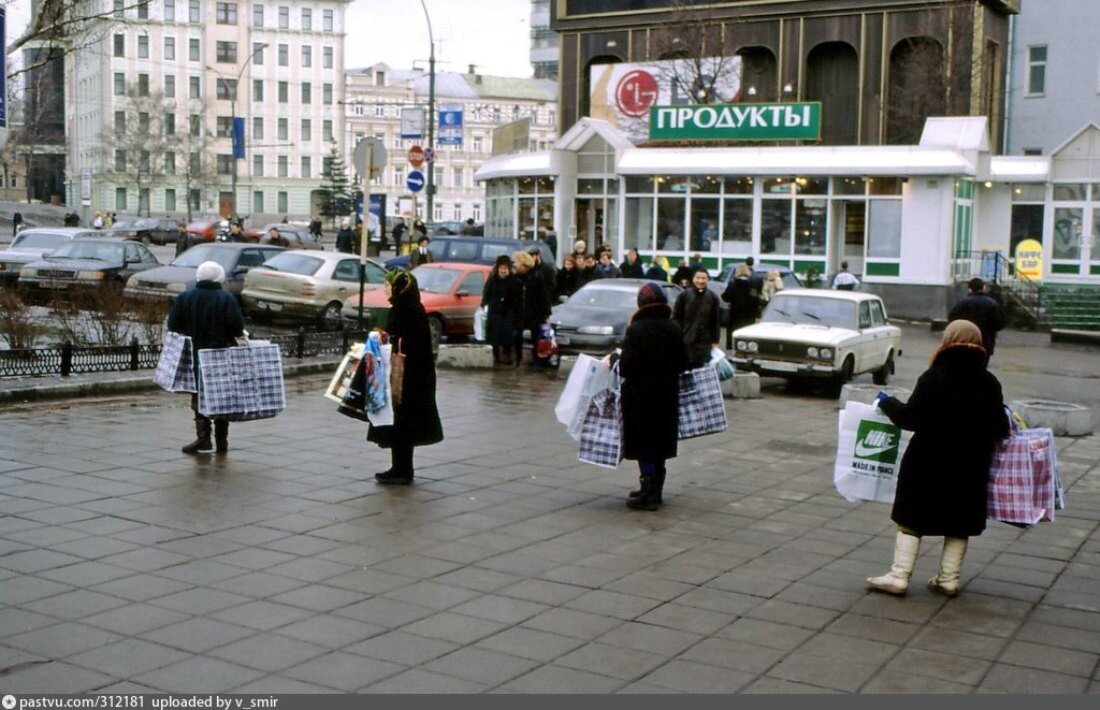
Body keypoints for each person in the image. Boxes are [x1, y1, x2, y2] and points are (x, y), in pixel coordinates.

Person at [867, 319, 1009, 598]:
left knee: (911, 517)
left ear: (947, 340)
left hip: (927, 462)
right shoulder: (989, 382)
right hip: (971, 464)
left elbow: (910, 418)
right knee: (960, 520)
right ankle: (949, 579)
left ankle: (899, 576)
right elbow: (1000, 428)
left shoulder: (933, 377)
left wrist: (887, 402)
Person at [614, 283, 689, 511]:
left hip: (639, 398)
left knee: (643, 445)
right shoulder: (674, 327)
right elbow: (684, 363)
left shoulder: (635, 330)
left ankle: (648, 492)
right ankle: (656, 491)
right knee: (659, 444)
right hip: (666, 396)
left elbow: (626, 367)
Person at [369, 271, 444, 484]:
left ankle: (402, 471)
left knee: (403, 424)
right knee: (400, 424)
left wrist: (386, 338)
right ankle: (400, 468)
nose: (385, 289)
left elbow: (408, 342)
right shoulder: (407, 307)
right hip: (407, 378)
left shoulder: (408, 309)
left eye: (388, 285)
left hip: (408, 379)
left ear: (399, 287)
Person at [167, 261, 245, 455]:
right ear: (219, 276)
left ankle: (203, 439)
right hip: (221, 354)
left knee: (198, 394)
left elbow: (173, 325)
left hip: (195, 354)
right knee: (221, 396)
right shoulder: (226, 298)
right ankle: (222, 442)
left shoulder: (186, 297)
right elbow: (237, 327)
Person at [673, 267, 721, 368]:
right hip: (686, 341)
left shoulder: (713, 297)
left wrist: (715, 341)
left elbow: (715, 321)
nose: (700, 281)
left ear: (707, 280)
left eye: (703, 278)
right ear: (693, 279)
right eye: (698, 278)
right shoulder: (684, 296)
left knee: (702, 372)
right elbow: (677, 318)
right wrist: (678, 336)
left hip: (704, 343)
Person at [511, 250, 552, 369]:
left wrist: (546, 313)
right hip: (519, 313)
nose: (514, 264)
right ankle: (518, 359)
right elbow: (510, 295)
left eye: (516, 262)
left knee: (536, 338)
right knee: (516, 335)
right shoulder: (515, 278)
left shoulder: (537, 277)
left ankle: (537, 361)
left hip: (534, 313)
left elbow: (544, 297)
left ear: (523, 264)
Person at [948, 277, 1007, 357]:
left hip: (965, 342)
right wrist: (990, 330)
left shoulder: (963, 303)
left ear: (969, 289)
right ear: (983, 288)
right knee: (982, 367)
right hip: (986, 342)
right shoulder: (992, 304)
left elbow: (952, 319)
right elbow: (1001, 323)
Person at [481, 255, 518, 364]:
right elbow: (486, 293)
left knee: (507, 337)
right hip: (494, 312)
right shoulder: (492, 280)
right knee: (494, 337)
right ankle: (496, 356)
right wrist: (484, 305)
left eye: (505, 269)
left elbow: (516, 297)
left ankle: (507, 355)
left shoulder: (513, 281)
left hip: (507, 313)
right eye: (501, 268)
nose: (503, 271)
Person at [721, 264, 761, 349]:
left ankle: (731, 346)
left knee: (733, 331)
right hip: (750, 314)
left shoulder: (732, 284)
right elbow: (757, 301)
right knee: (747, 332)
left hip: (735, 313)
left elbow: (725, 297)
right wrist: (758, 315)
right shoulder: (753, 285)